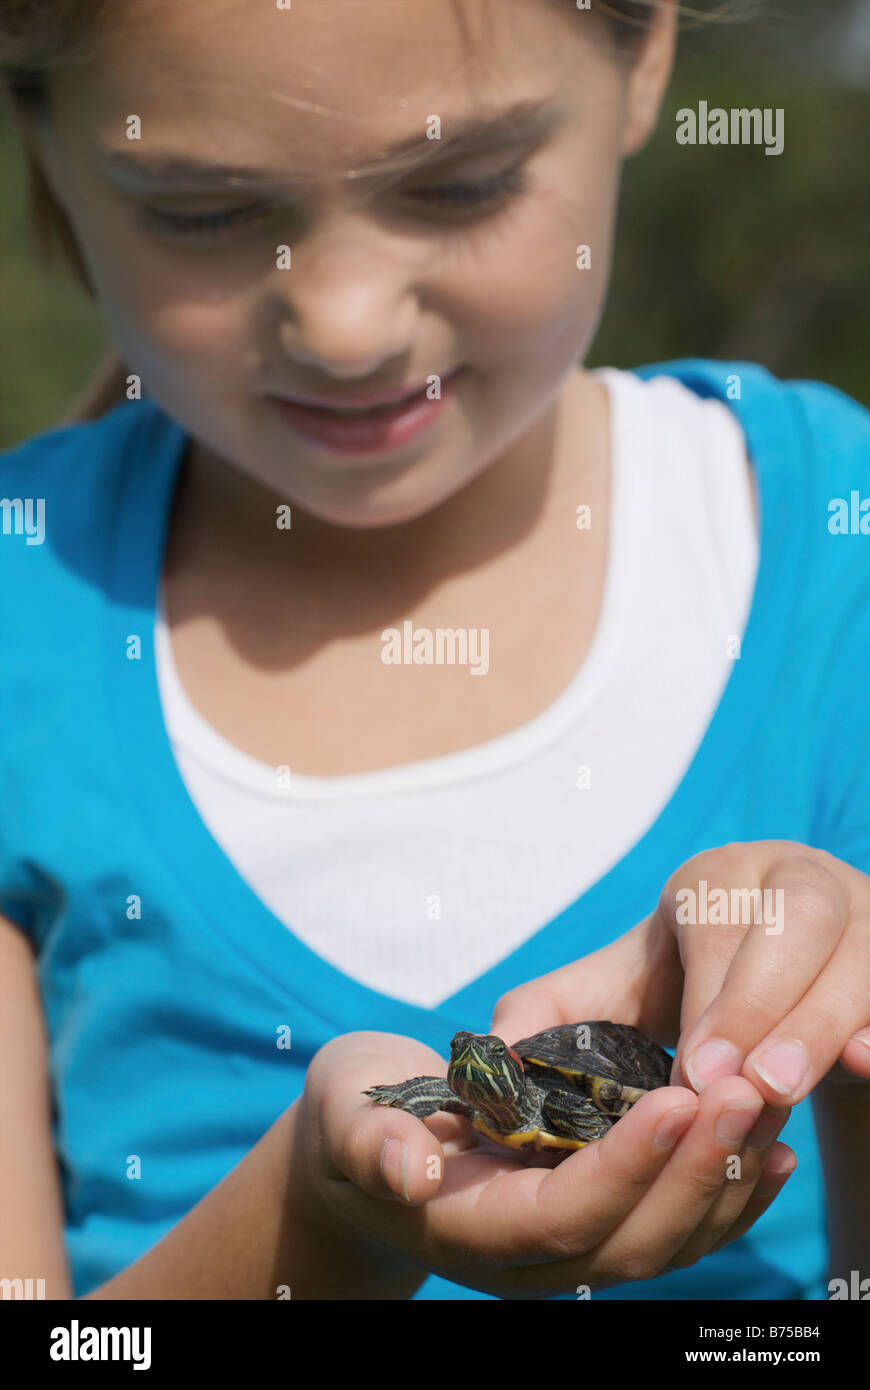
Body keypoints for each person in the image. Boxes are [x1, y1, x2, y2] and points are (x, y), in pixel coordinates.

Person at [0, 0, 868, 1302]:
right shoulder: (30, 624)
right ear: (35, 130)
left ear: (644, 59)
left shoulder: (834, 560)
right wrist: (319, 1220)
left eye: (458, 184)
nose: (344, 324)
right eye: (201, 212)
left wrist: (829, 1038)